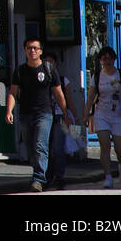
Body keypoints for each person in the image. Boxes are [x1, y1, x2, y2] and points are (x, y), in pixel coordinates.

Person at [7, 36, 67, 192]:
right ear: (24, 51)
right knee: (31, 148)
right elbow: (13, 92)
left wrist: (66, 113)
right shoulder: (20, 71)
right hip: (25, 114)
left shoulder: (49, 69)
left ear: (40, 51)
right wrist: (9, 111)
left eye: (35, 48)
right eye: (29, 48)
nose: (32, 50)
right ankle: (43, 174)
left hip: (44, 114)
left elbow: (58, 93)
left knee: (41, 145)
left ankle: (39, 179)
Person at [85, 46, 121, 188]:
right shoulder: (97, 76)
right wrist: (86, 114)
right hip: (101, 115)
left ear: (114, 59)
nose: (107, 60)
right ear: (100, 60)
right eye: (104, 58)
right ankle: (108, 176)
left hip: (119, 115)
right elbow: (91, 96)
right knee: (104, 146)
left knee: (120, 148)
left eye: (109, 57)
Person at [42, 51, 73, 190]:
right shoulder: (41, 78)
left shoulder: (62, 79)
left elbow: (68, 99)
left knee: (58, 148)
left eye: (51, 62)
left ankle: (60, 177)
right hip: (45, 115)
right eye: (46, 62)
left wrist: (73, 116)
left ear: (56, 64)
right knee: (46, 148)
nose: (48, 65)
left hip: (60, 116)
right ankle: (47, 176)